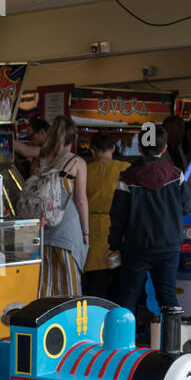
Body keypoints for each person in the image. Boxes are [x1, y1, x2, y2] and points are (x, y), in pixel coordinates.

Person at [106, 128, 191, 317]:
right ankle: (171, 344)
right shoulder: (176, 174)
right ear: (164, 148)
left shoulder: (127, 177)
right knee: (168, 297)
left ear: (140, 147)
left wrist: (114, 244)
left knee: (128, 296)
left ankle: (124, 344)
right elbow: (186, 206)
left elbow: (118, 215)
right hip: (169, 245)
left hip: (137, 246)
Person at [33, 116, 89, 298]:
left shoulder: (41, 160)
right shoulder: (76, 162)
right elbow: (81, 200)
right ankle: (69, 325)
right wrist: (86, 234)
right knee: (69, 289)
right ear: (73, 139)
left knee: (45, 286)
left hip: (41, 234)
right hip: (67, 234)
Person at [81, 133, 129, 299]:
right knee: (120, 287)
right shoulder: (126, 168)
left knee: (95, 287)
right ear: (114, 148)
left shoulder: (84, 169)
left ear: (93, 151)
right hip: (117, 229)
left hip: (90, 228)